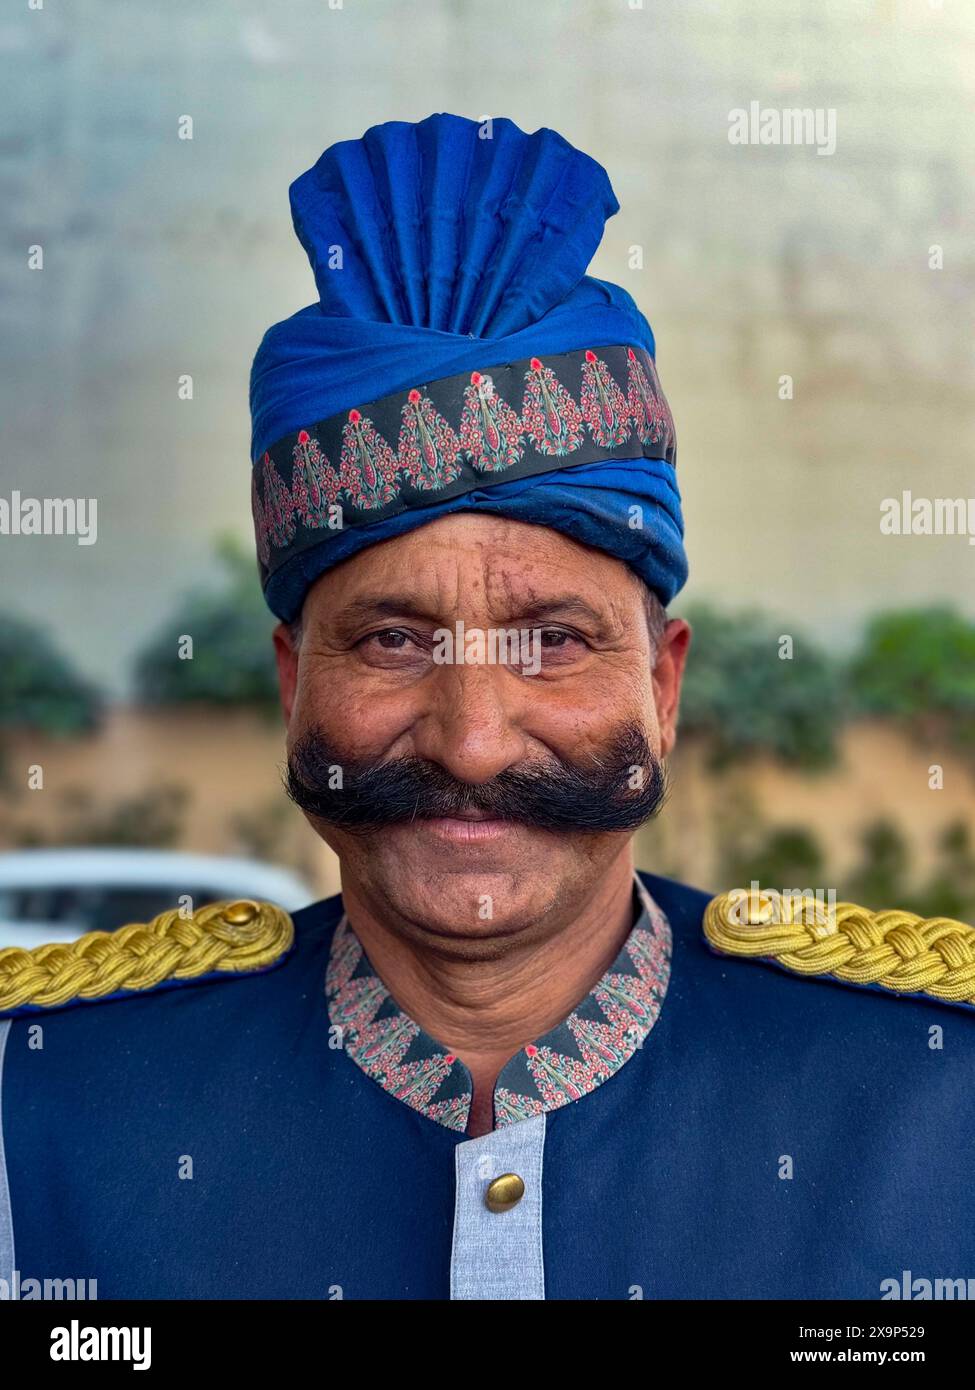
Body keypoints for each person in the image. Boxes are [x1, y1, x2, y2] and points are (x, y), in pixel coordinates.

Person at [1, 114, 973, 1302]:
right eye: (394, 640)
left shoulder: (936, 1095)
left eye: (554, 642)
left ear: (661, 685)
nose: (472, 739)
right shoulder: (44, 1104)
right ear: (292, 680)